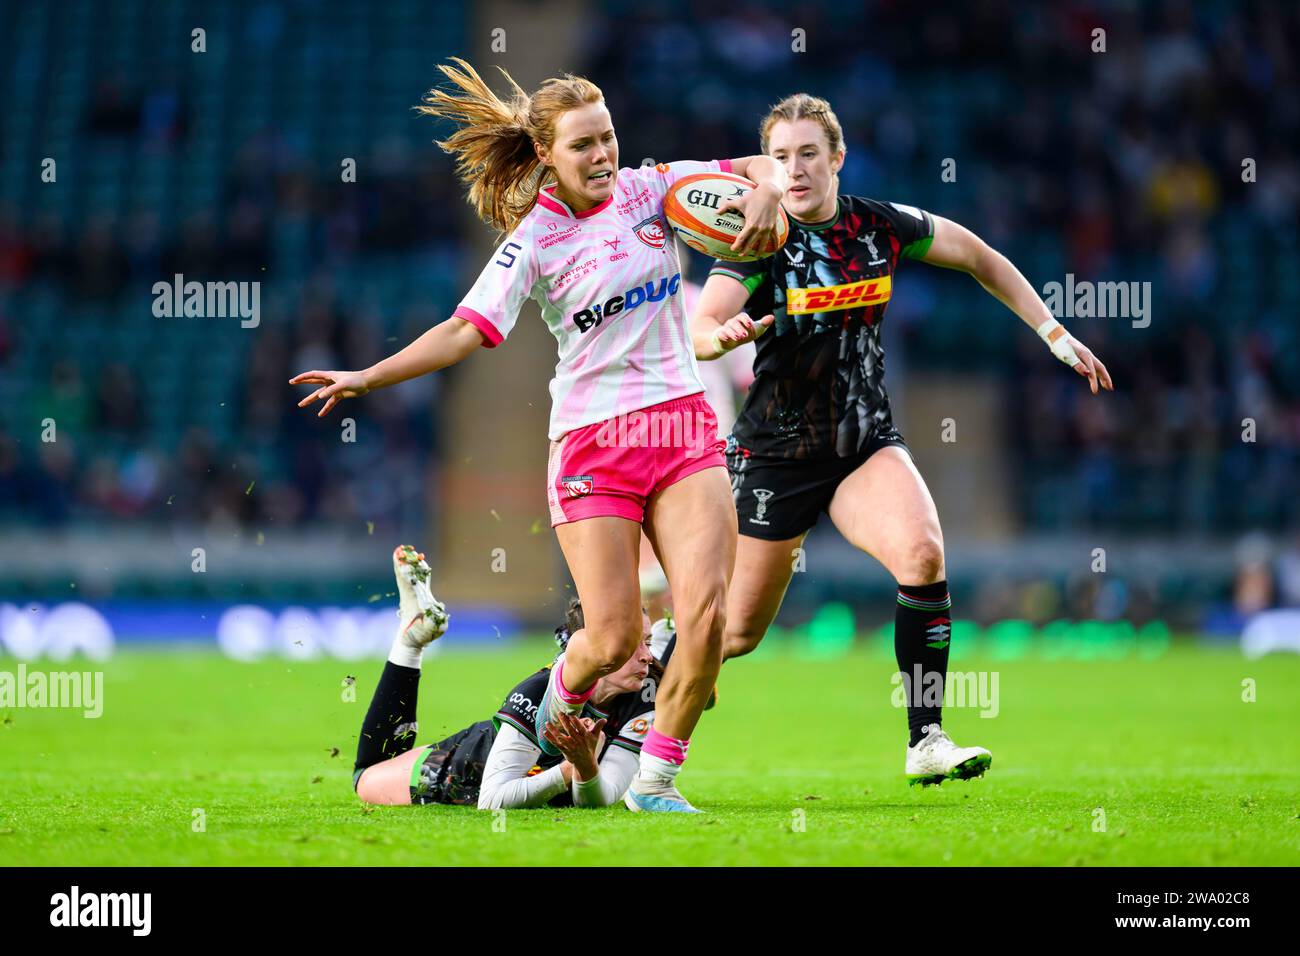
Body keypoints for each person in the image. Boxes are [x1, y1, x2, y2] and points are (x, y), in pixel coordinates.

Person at [292, 59, 788, 811]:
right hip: (595, 444)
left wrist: (770, 190)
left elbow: (756, 163)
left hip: (684, 424)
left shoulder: (655, 191)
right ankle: (531, 734)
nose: (602, 156)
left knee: (706, 621)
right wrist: (368, 377)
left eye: (608, 137)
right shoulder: (536, 240)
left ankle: (653, 784)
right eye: (583, 145)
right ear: (547, 157)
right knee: (614, 639)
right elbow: (464, 331)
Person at [691, 94, 1113, 786]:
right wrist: (720, 338)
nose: (793, 170)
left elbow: (979, 256)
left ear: (837, 158)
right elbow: (703, 322)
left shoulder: (879, 226)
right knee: (729, 636)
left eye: (807, 154)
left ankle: (926, 739)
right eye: (779, 157)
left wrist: (1054, 332)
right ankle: (611, 706)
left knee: (922, 554)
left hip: (863, 445)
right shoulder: (759, 239)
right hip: (775, 455)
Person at [353, 545, 666, 810]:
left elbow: (602, 798)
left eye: (649, 642)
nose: (646, 656)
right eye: (632, 644)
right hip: (461, 768)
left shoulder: (643, 690)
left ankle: (415, 633)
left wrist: (583, 767)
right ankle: (411, 639)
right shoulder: (538, 692)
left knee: (380, 765)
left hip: (505, 759)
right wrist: (565, 773)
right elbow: (491, 799)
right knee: (366, 777)